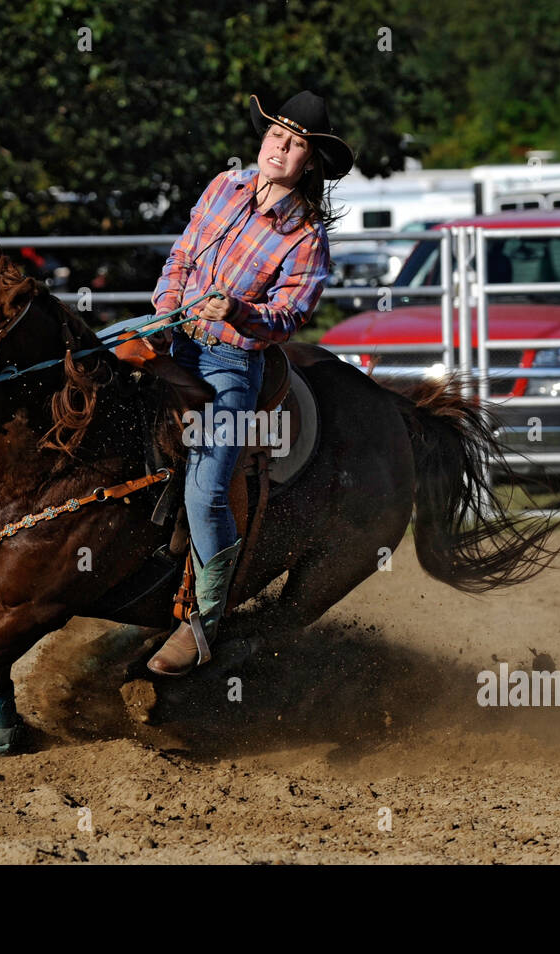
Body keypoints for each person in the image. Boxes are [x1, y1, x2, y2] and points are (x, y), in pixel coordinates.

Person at [142, 90, 354, 676]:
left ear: (309, 161)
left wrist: (235, 310)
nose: (279, 149)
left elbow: (288, 317)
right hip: (171, 333)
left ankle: (204, 618)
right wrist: (165, 310)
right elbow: (181, 256)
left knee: (209, 490)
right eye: (275, 137)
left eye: (295, 145)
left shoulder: (306, 236)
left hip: (230, 363)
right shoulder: (224, 187)